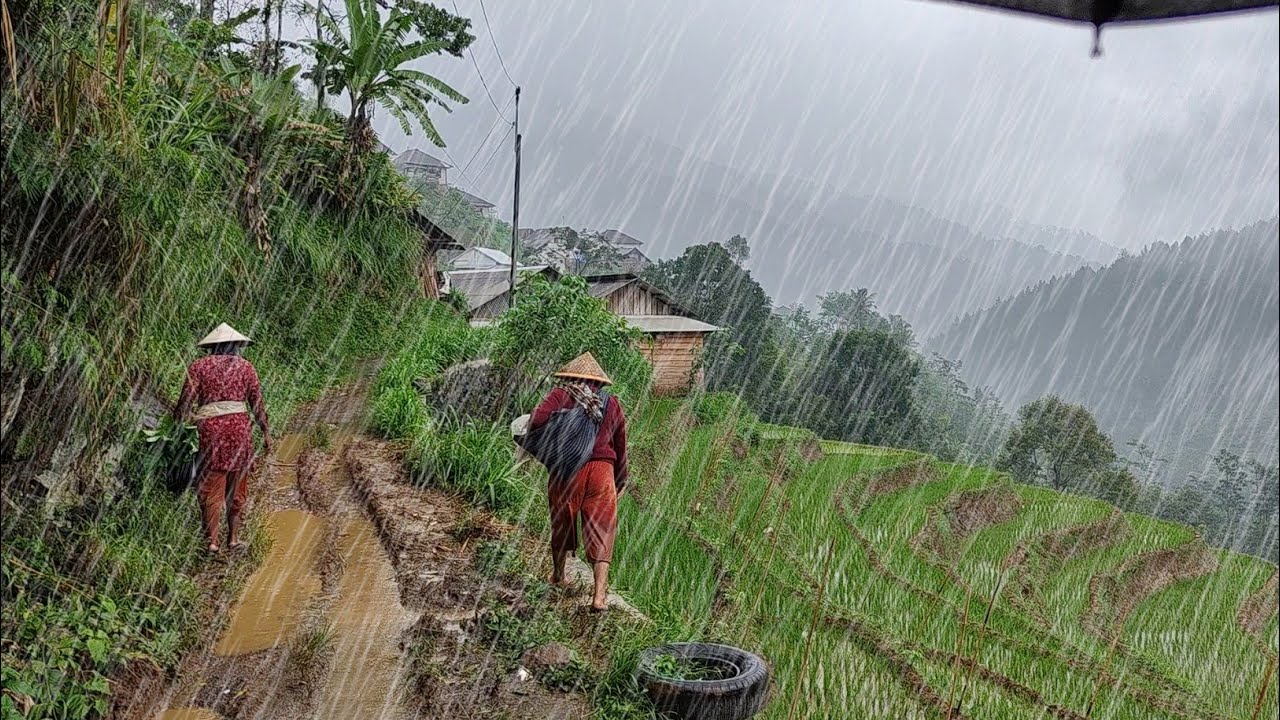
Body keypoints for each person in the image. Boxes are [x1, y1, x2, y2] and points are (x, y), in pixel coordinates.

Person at [528, 352, 628, 611]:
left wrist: (558, 432)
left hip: (568, 470)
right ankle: (599, 596)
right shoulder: (611, 403)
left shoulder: (560, 395)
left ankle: (558, 576)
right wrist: (620, 479)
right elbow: (620, 443)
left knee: (562, 521)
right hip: (602, 471)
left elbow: (536, 420)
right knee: (602, 528)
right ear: (599, 382)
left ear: (570, 377)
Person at [174, 323, 271, 553]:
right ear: (236, 346)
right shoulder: (246, 368)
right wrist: (266, 432)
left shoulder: (199, 366)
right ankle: (233, 539)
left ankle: (212, 542)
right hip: (239, 432)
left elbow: (185, 401)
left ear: (212, 347)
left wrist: (177, 424)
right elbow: (257, 404)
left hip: (210, 433)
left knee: (211, 485)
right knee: (237, 485)